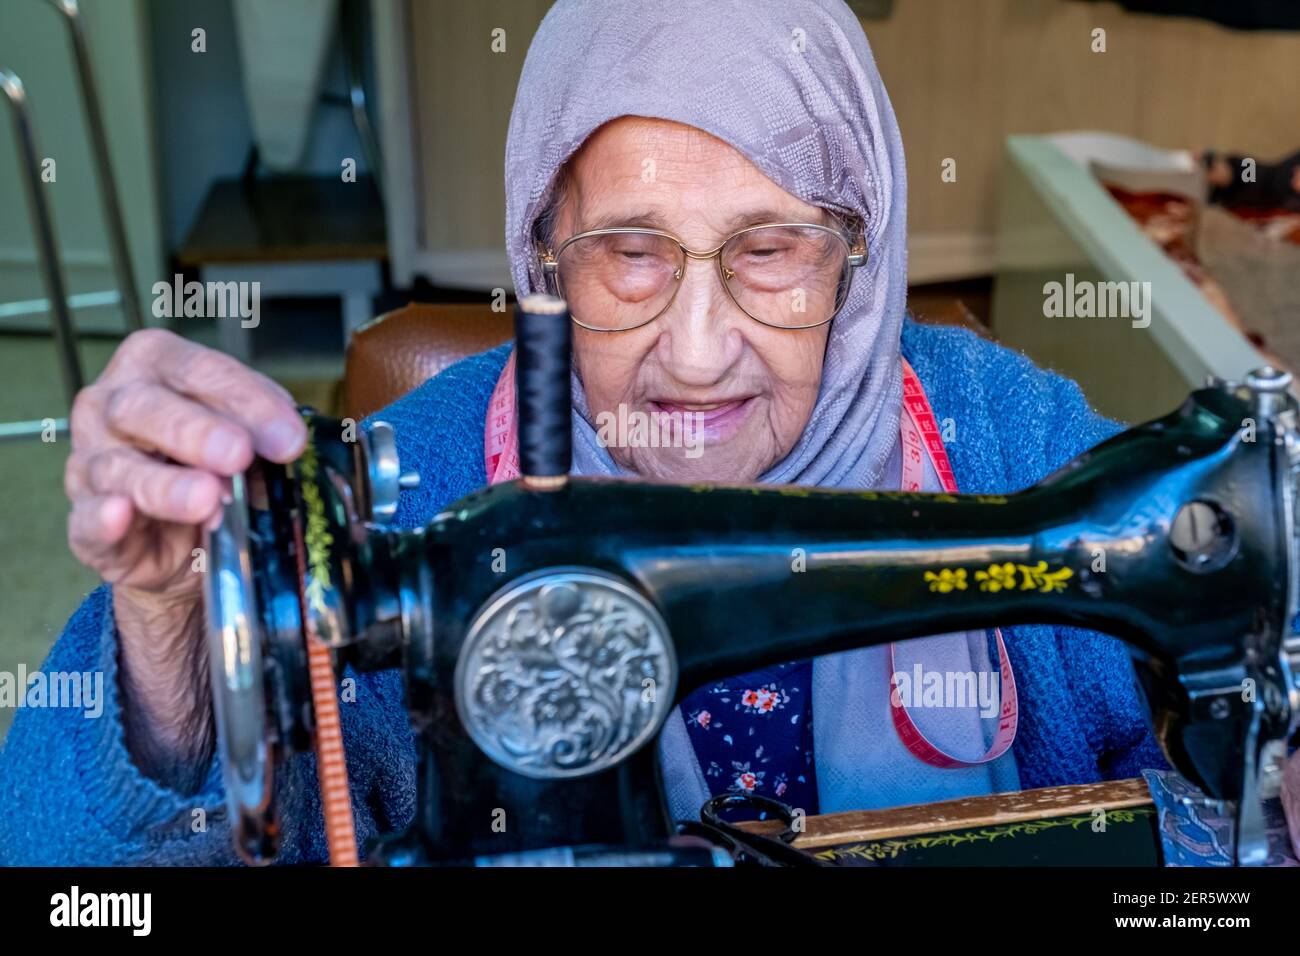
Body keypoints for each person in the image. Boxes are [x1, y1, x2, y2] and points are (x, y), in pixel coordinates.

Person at [2, 0, 1295, 864]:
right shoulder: (420, 501)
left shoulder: (1006, 435)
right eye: (629, 253)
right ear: (541, 257)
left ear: (861, 256)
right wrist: (168, 642)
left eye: (772, 250)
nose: (697, 350)